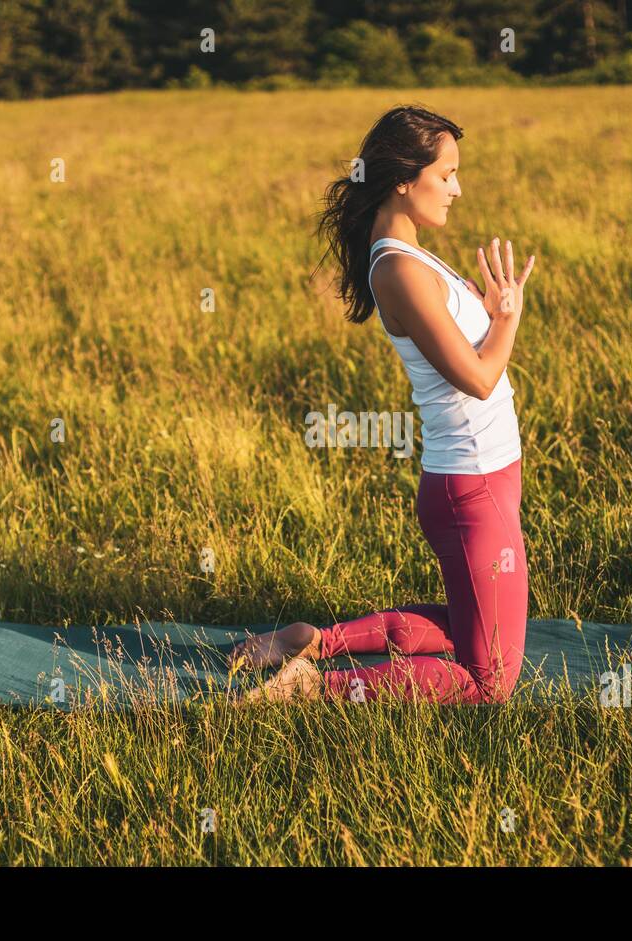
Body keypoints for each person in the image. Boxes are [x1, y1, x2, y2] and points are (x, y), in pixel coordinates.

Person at [231, 104, 537, 705]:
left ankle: (315, 642)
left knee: (472, 624)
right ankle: (316, 688)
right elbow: (479, 380)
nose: (457, 189)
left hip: (487, 478)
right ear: (402, 178)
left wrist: (486, 312)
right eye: (446, 174)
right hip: (471, 486)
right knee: (490, 682)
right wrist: (507, 319)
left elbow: (465, 353)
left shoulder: (413, 254)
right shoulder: (398, 268)